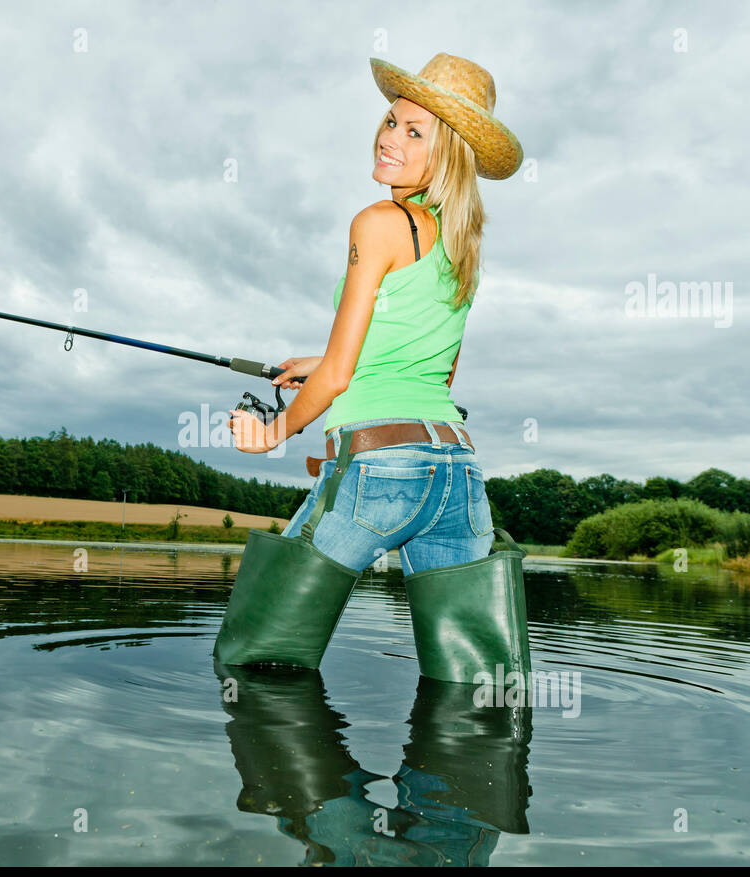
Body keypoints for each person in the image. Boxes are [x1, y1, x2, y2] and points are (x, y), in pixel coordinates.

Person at [215, 53, 527, 677]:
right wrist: (321, 359)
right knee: (477, 689)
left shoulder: (378, 222)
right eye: (391, 121)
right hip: (458, 474)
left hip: (376, 468)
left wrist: (272, 433)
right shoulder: (463, 251)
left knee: (259, 661)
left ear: (450, 157)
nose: (391, 138)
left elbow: (338, 378)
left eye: (416, 132)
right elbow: (432, 375)